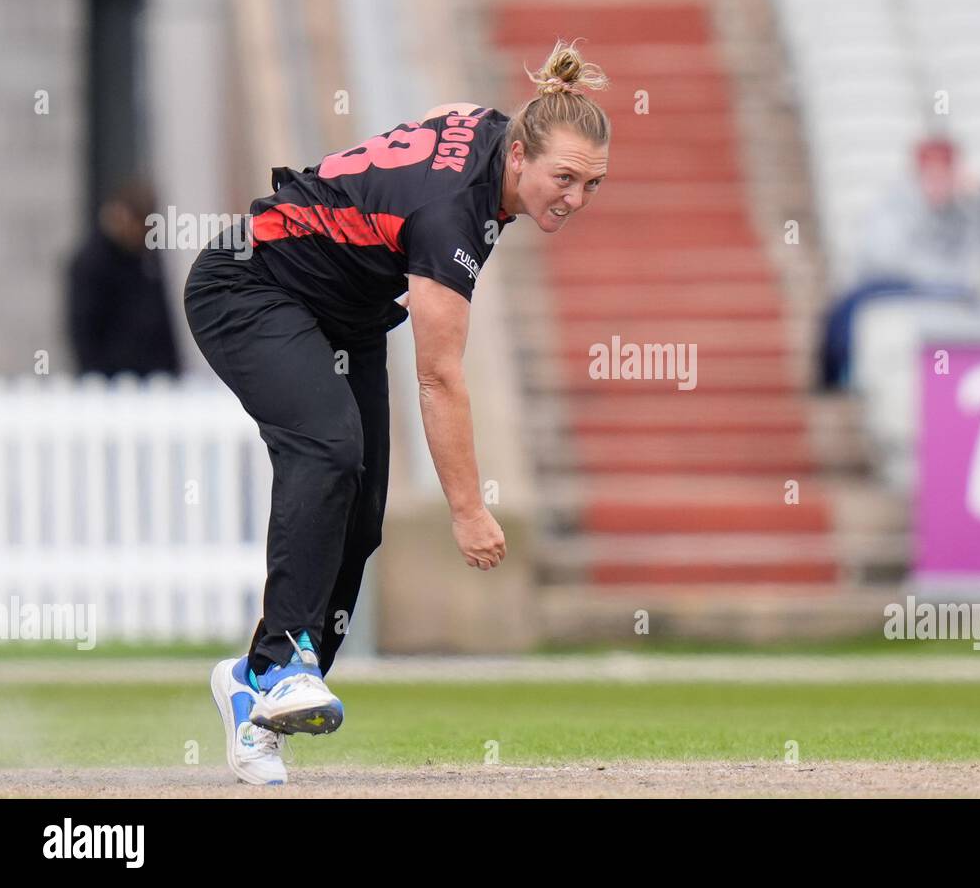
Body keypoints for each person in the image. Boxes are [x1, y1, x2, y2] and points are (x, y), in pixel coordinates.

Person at [189, 39, 611, 784]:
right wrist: (468, 510)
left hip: (342, 316)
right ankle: (286, 659)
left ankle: (258, 689)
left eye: (591, 185)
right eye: (565, 178)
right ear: (517, 156)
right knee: (325, 450)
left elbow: (441, 120)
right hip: (248, 286)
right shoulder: (453, 218)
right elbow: (441, 379)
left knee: (362, 512)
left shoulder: (487, 128)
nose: (574, 199)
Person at [819, 137, 980, 390]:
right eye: (931, 174)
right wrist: (939, 280)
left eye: (945, 173)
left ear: (956, 174)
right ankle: (843, 381)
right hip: (906, 289)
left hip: (957, 295)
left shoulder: (977, 206)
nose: (938, 182)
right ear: (917, 175)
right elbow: (885, 259)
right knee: (847, 308)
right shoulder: (893, 206)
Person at [66, 180, 181, 378]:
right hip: (111, 378)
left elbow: (163, 317)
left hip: (156, 374)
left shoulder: (148, 257)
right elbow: (84, 328)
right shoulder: (92, 263)